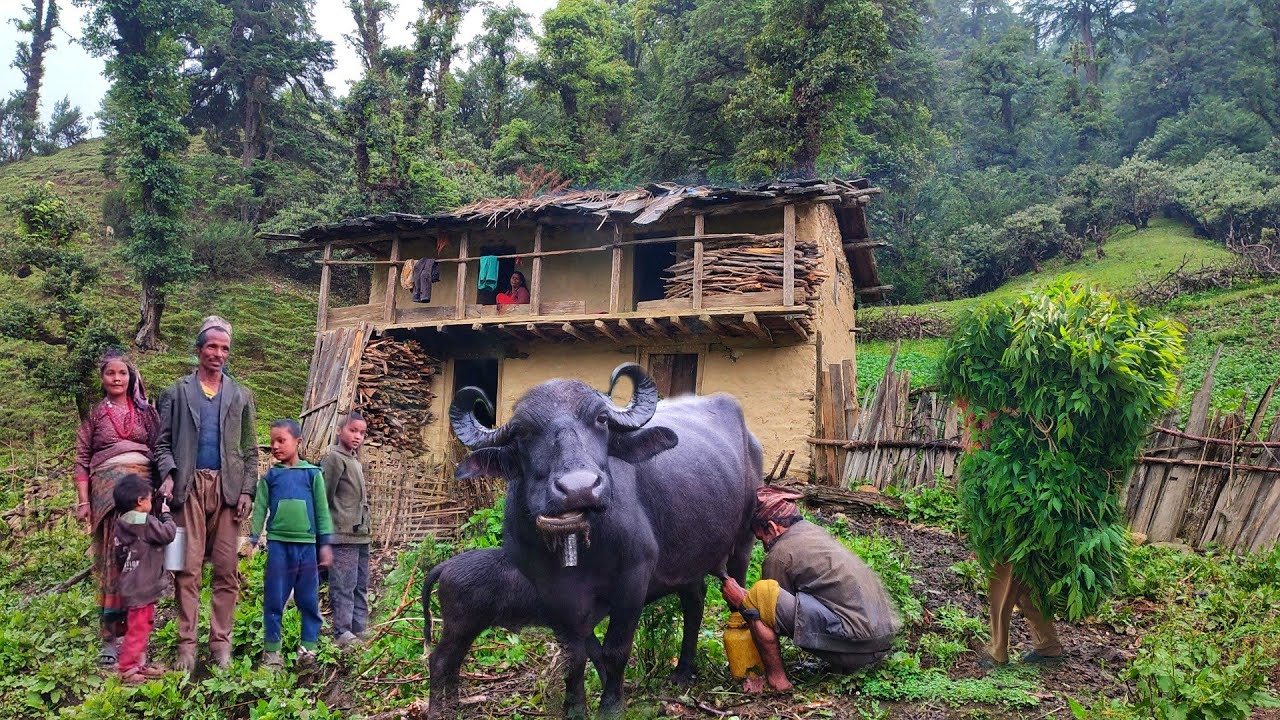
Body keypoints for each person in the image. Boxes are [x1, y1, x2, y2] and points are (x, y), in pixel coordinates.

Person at [154, 316, 259, 672]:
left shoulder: (241, 395)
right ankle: (186, 647)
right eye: (211, 347)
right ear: (199, 350)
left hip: (228, 491)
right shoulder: (176, 392)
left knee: (227, 570)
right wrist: (168, 475)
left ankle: (220, 645)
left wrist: (247, 488)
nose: (218, 354)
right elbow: (162, 443)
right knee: (187, 568)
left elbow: (250, 449)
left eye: (224, 348)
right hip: (188, 489)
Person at [721, 486, 901, 693]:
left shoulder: (780, 555)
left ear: (772, 527)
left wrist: (741, 601)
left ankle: (776, 680)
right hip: (882, 641)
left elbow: (764, 610)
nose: (763, 546)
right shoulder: (814, 531)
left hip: (857, 649)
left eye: (761, 538)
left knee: (761, 595)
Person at [74, 349, 161, 667]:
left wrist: (162, 492)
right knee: (113, 565)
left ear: (130, 376)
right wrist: (83, 501)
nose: (116, 378)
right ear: (103, 378)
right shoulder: (95, 415)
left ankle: (136, 639)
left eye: (121, 373)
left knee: (139, 566)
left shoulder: (145, 413)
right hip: (108, 500)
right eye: (110, 373)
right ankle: (111, 638)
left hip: (142, 499)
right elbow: (82, 460)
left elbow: (158, 450)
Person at [249, 419, 334, 669]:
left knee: (308, 599)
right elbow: (260, 509)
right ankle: (272, 654)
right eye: (272, 441)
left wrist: (326, 544)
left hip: (307, 547)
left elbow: (322, 511)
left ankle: (308, 650)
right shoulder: (270, 477)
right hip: (278, 546)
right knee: (274, 598)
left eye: (281, 440)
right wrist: (253, 538)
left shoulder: (312, 474)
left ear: (298, 442)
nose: (275, 446)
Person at [112, 473, 177, 684]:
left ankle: (138, 664)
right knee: (139, 627)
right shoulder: (145, 522)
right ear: (141, 501)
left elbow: (119, 556)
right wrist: (167, 515)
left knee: (141, 625)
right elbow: (167, 534)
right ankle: (127, 668)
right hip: (144, 586)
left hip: (130, 584)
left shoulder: (121, 523)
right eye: (149, 498)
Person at [320, 412, 372, 648]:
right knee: (344, 584)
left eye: (362, 433)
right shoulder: (334, 459)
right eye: (353, 430)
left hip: (360, 534)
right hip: (342, 536)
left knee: (360, 583)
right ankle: (342, 631)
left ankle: (360, 627)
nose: (357, 436)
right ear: (340, 430)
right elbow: (324, 497)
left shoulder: (355, 461)